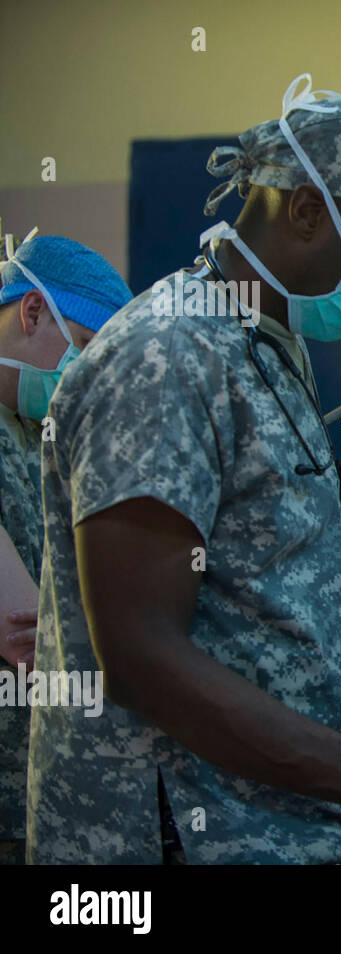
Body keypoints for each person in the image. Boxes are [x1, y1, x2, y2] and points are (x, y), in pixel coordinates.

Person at [26, 75, 341, 865]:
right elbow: (142, 656)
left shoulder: (264, 343)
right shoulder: (166, 357)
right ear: (305, 209)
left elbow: (266, 602)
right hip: (171, 839)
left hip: (290, 827)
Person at [0, 233, 130, 865]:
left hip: (35, 784)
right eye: (80, 350)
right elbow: (23, 634)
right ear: (31, 312)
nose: (81, 377)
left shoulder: (35, 431)